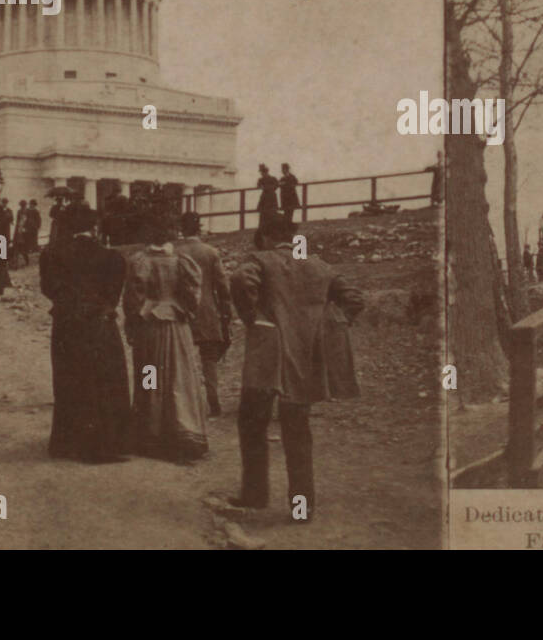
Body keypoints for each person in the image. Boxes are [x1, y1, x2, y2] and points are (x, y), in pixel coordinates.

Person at [229, 214, 364, 518]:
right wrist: (329, 327)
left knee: (251, 424)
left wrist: (252, 317)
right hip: (304, 360)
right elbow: (354, 299)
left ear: (264, 236)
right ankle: (302, 508)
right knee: (298, 432)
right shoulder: (318, 265)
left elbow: (239, 280)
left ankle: (254, 495)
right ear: (292, 236)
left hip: (268, 357)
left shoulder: (261, 259)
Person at [40, 201, 132, 462]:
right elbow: (114, 293)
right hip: (100, 322)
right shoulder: (111, 256)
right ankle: (107, 442)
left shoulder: (52, 254)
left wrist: (71, 303)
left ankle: (67, 442)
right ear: (94, 226)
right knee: (105, 379)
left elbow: (49, 289)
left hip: (67, 323)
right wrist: (99, 306)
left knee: (69, 377)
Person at [124, 213, 206, 462]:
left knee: (151, 375)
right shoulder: (182, 260)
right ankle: (181, 428)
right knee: (178, 376)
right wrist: (186, 311)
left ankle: (151, 430)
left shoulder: (139, 261)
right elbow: (193, 295)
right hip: (177, 326)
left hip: (150, 327)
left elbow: (133, 298)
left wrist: (133, 322)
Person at [174, 212, 234, 417]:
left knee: (179, 357)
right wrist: (226, 312)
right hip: (207, 311)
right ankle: (213, 400)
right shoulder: (210, 252)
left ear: (181, 229)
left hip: (180, 312)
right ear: (198, 228)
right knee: (208, 359)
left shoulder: (174, 252)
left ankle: (184, 404)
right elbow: (222, 286)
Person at [255, 163, 279, 228]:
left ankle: (272, 227)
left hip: (270, 197)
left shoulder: (272, 178)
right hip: (266, 198)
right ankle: (263, 227)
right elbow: (258, 186)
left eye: (263, 172)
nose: (262, 173)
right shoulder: (261, 180)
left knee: (272, 213)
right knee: (263, 213)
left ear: (266, 172)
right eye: (261, 172)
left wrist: (266, 187)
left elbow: (276, 185)